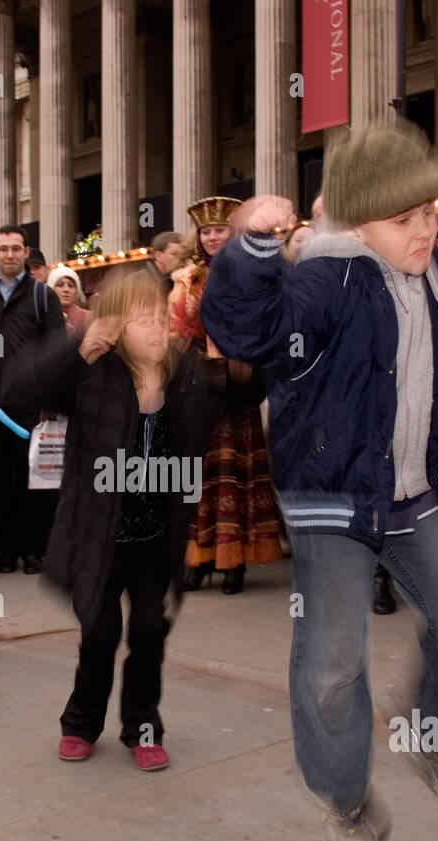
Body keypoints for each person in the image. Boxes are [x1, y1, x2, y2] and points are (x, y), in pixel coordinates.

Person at [200, 123, 438, 841]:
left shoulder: (436, 274)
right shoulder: (325, 276)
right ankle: (344, 796)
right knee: (335, 662)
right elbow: (250, 331)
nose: (424, 230)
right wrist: (248, 248)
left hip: (411, 495)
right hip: (332, 496)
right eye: (402, 220)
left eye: (430, 213)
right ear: (359, 221)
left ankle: (437, 744)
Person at [8, 267, 218, 770]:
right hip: (98, 537)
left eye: (159, 316)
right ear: (115, 328)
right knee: (99, 635)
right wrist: (78, 348)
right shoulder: (94, 373)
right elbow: (19, 389)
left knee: (148, 631)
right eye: (139, 318)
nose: (154, 328)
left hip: (155, 539)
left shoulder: (186, 374)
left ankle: (142, 728)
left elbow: (245, 389)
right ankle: (81, 722)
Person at [170, 196, 283, 595]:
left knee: (236, 472)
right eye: (206, 231)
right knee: (198, 474)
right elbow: (177, 332)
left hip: (240, 379)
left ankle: (235, 562)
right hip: (198, 383)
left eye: (220, 229)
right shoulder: (187, 278)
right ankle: (199, 559)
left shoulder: (254, 271)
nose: (213, 236)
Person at [0, 224, 67, 574]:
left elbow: (57, 350)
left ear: (26, 251)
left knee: (35, 480)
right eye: (3, 248)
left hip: (31, 405)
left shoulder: (41, 295)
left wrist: (53, 399)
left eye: (16, 249)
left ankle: (34, 549)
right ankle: (4, 549)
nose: (10, 255)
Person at [47, 264, 90, 338]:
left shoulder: (89, 318)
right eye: (60, 285)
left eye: (71, 285)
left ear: (77, 291)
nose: (66, 289)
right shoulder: (42, 318)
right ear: (51, 289)